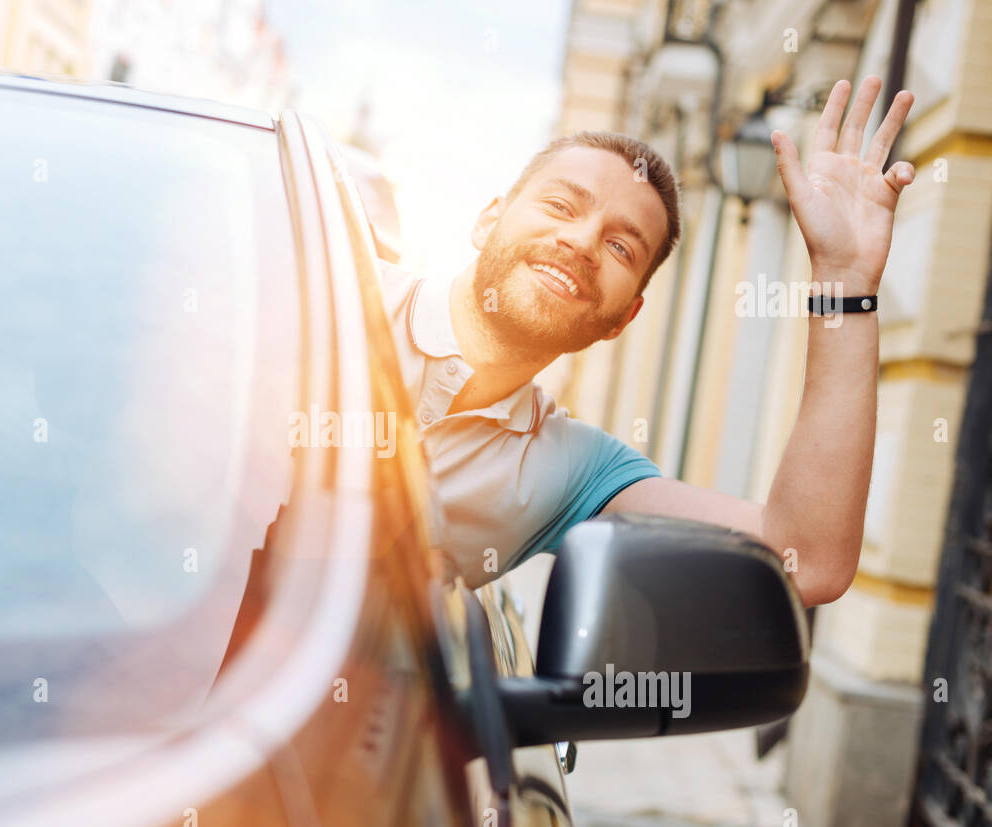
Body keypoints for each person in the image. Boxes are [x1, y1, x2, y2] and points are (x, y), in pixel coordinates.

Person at [377, 76, 915, 604]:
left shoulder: (570, 470)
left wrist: (844, 279)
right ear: (488, 220)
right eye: (562, 207)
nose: (582, 242)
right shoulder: (331, 287)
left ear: (622, 319)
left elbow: (806, 560)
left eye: (620, 248)